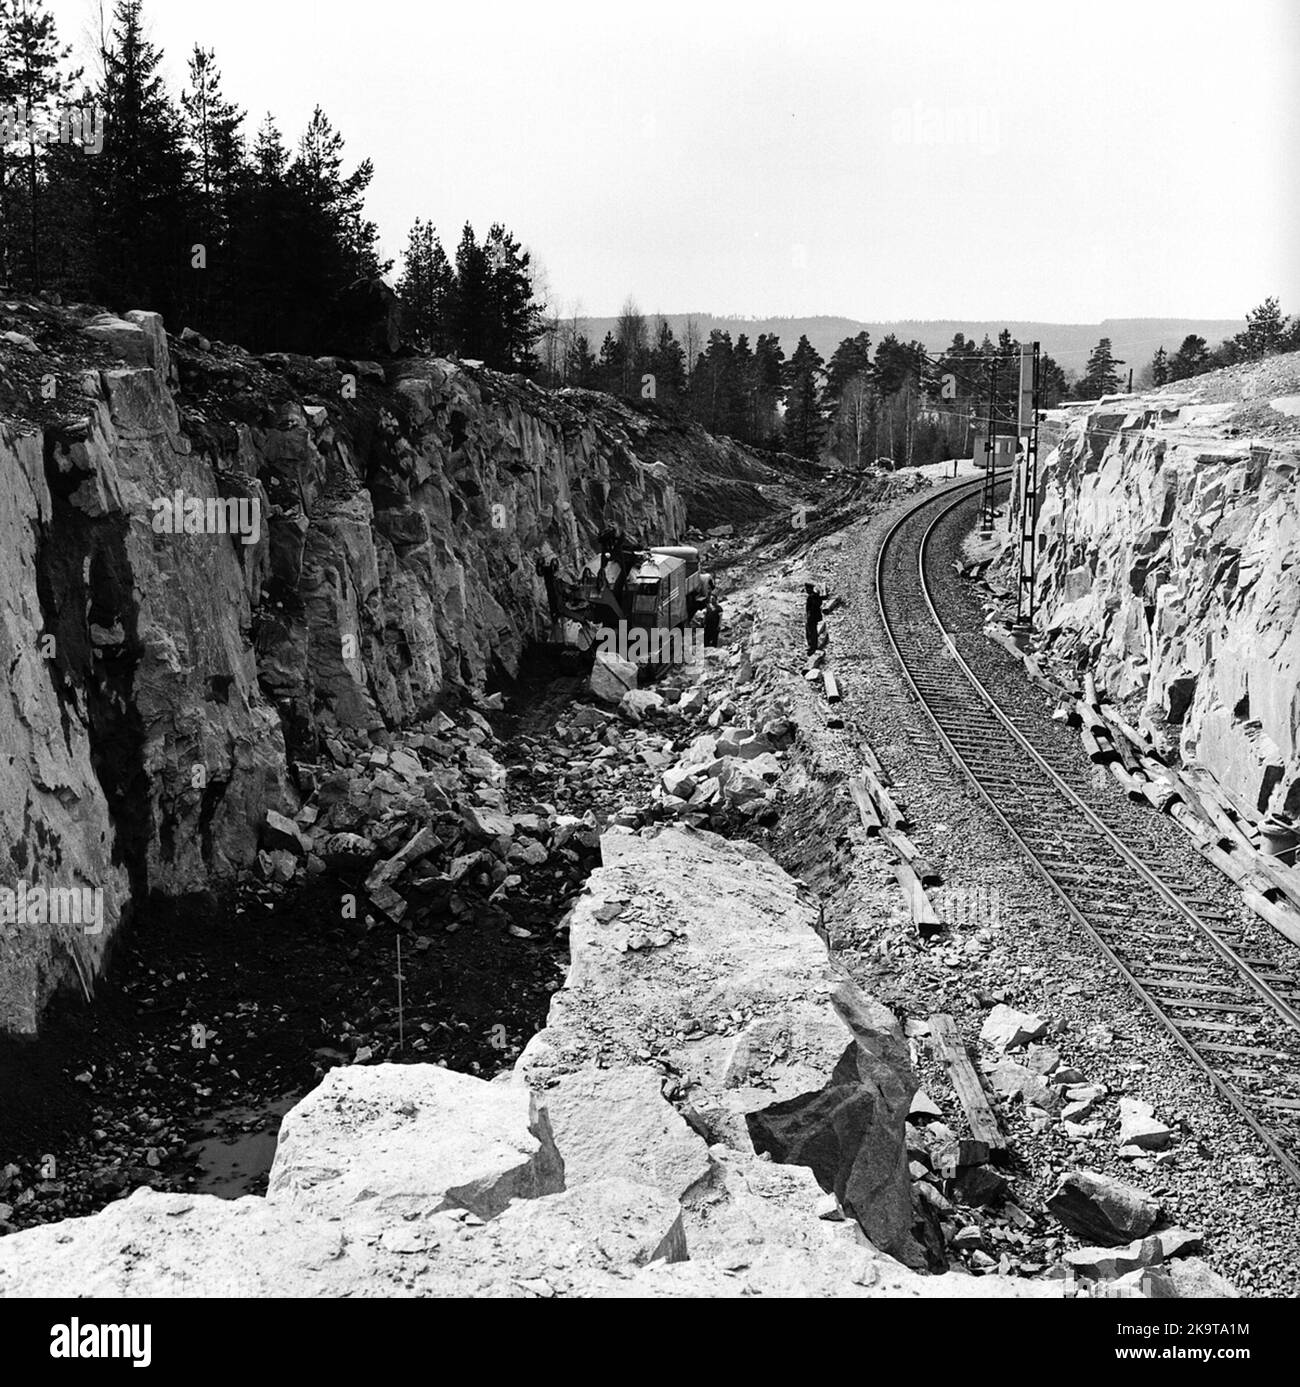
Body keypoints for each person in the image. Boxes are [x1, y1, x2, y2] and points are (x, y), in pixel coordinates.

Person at [805, 582, 830, 655]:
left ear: (810, 589)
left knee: (812, 632)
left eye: (807, 589)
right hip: (813, 617)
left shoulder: (812, 597)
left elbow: (812, 608)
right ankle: (812, 646)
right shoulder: (815, 596)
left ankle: (812, 647)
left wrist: (809, 616)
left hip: (812, 617)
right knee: (811, 631)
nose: (806, 590)